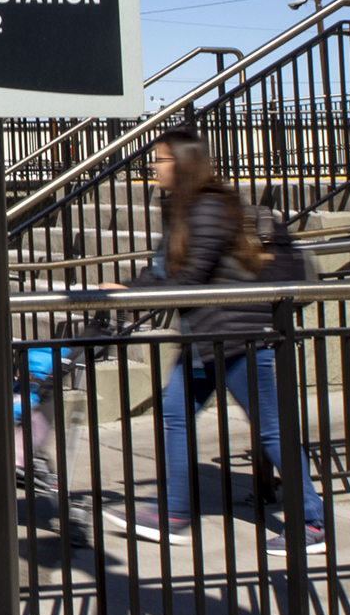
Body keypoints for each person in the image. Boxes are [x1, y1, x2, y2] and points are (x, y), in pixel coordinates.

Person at [104, 129, 325, 552]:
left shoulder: (207, 208)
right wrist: (125, 289)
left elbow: (187, 278)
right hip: (207, 337)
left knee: (271, 429)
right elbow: (166, 271)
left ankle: (311, 522)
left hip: (237, 337)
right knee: (175, 413)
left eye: (162, 160)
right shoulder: (184, 208)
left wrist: (132, 295)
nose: (154, 167)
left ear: (182, 164)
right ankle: (173, 513)